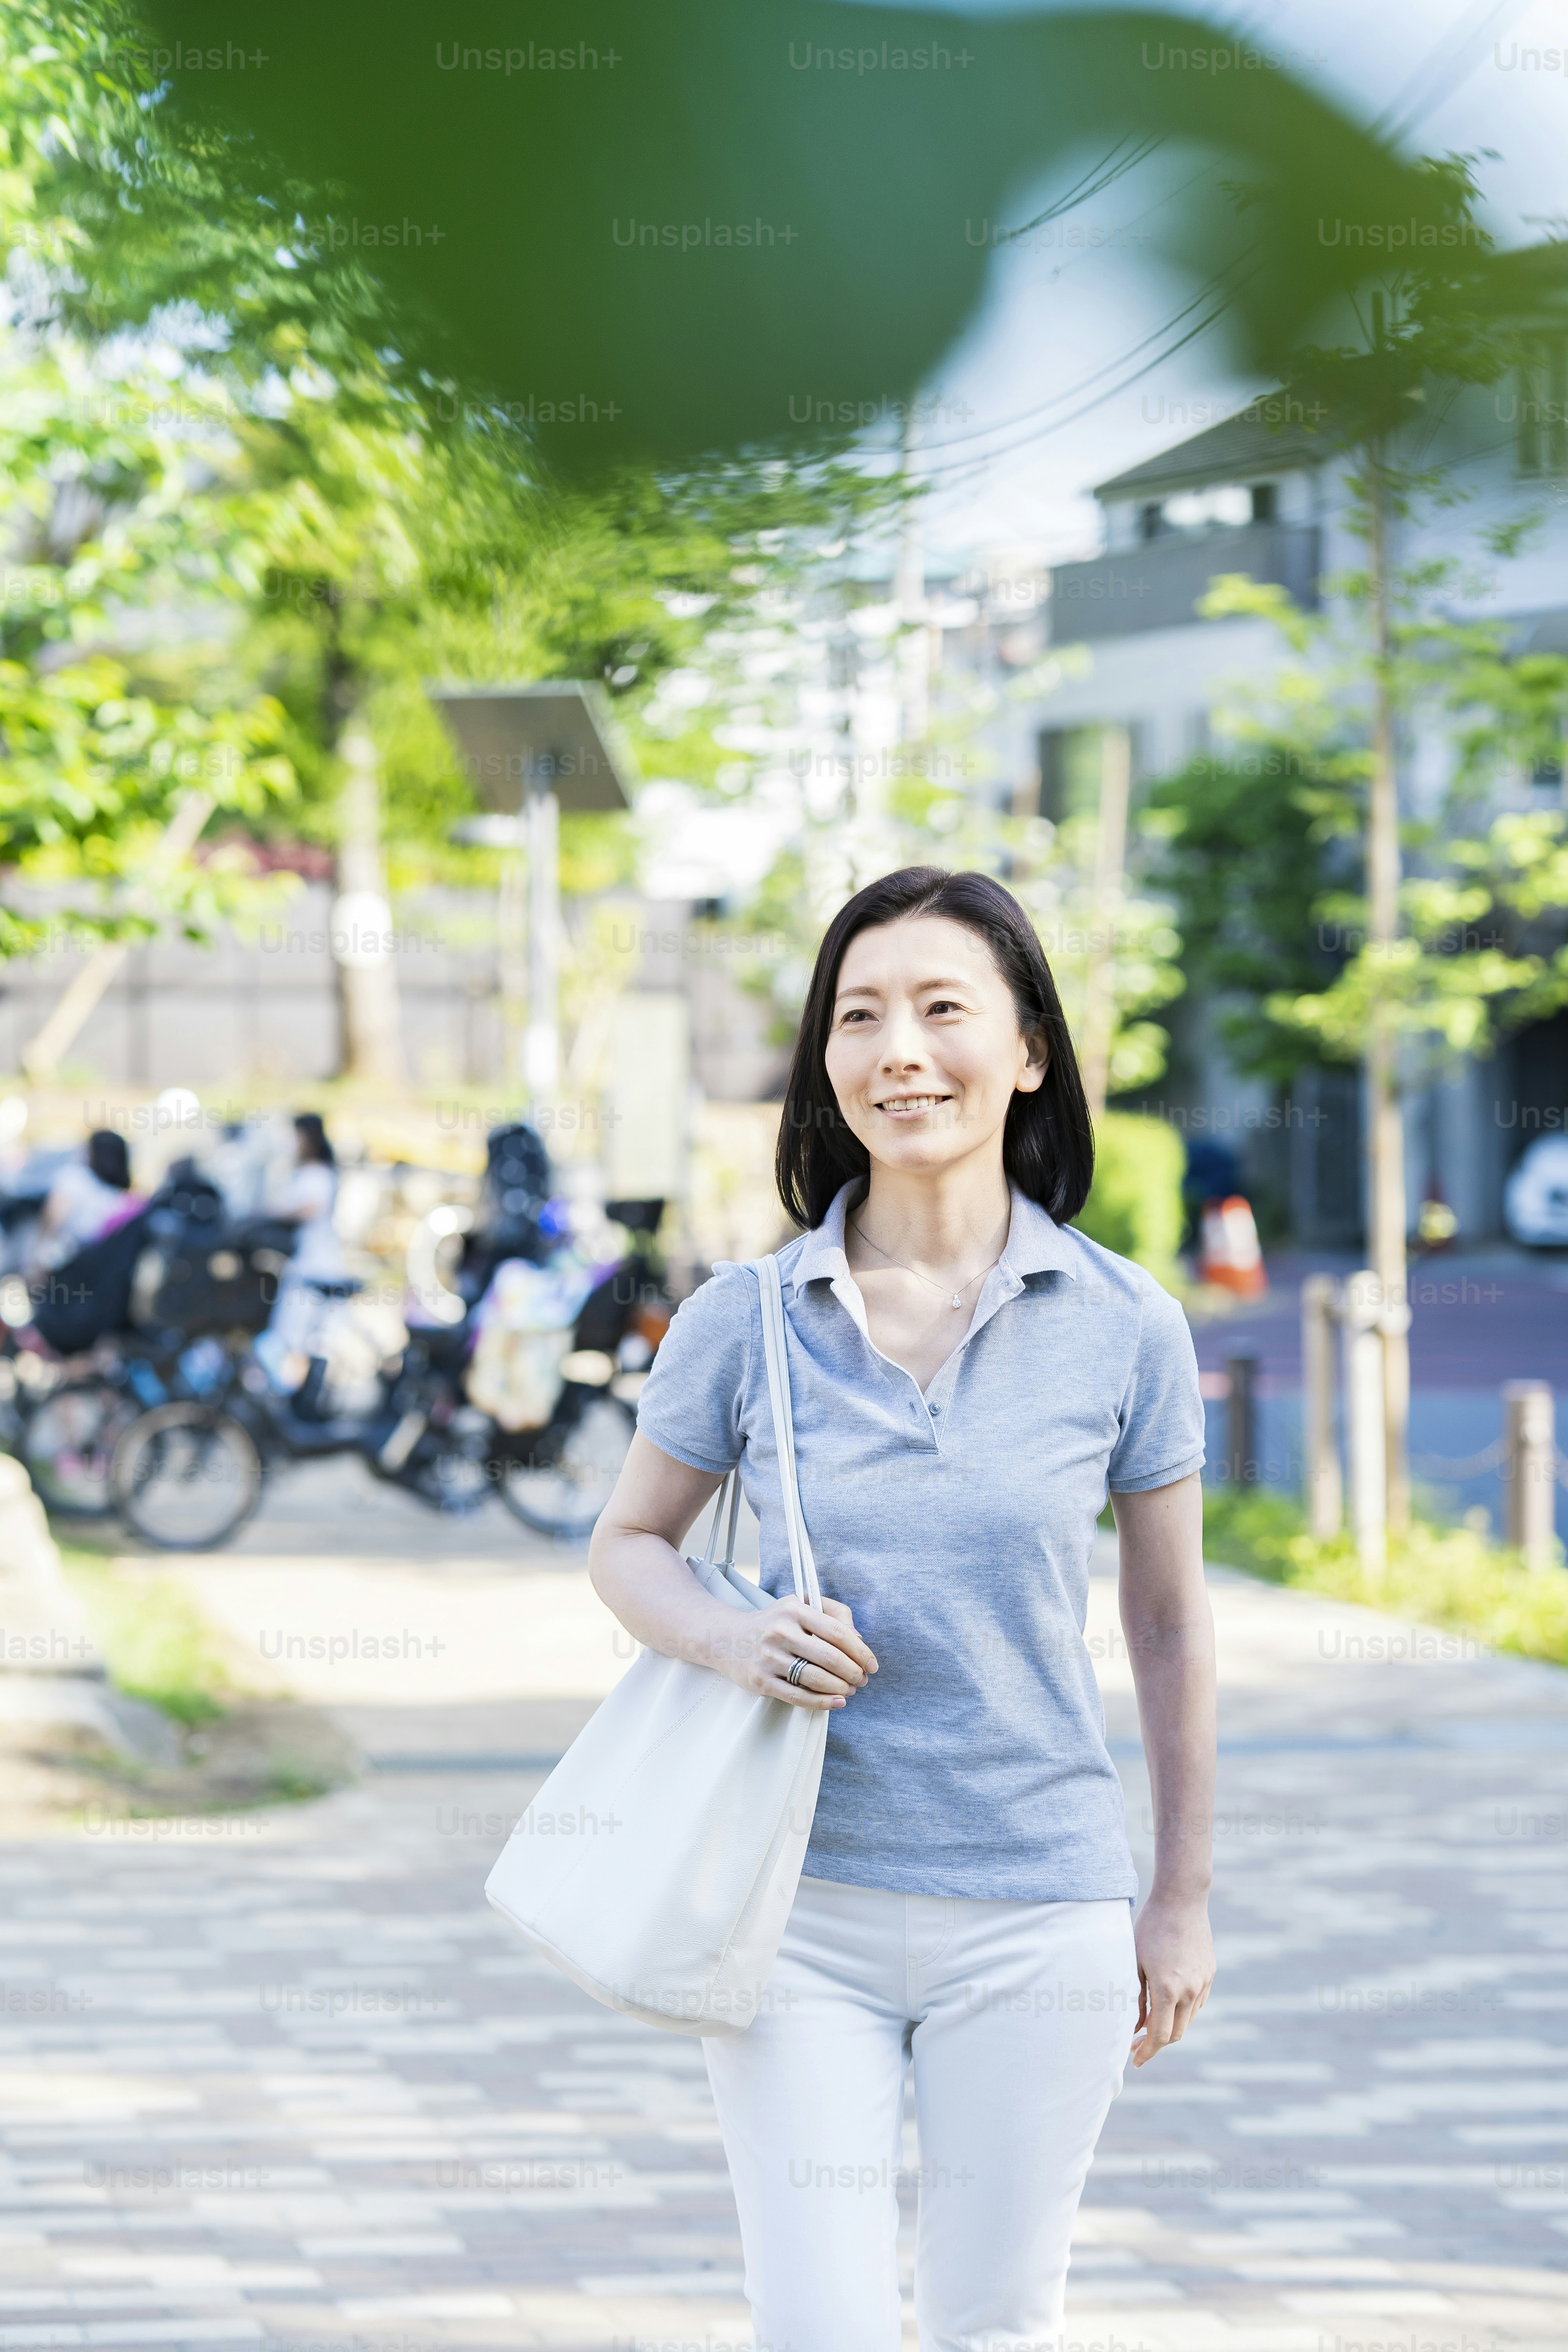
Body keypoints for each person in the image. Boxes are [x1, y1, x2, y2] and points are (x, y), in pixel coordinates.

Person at [590, 866, 1216, 2352]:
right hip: (795, 1905)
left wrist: (1179, 1896)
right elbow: (627, 1546)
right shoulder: (747, 1314)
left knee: (997, 2317)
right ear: (822, 1060)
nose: (899, 1051)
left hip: (1039, 1907)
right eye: (858, 1014)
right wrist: (730, 1634)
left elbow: (1171, 1624)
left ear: (1029, 1050)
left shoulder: (1122, 1322)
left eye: (944, 1008)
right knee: (816, 2321)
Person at [253, 1112, 347, 1392]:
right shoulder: (303, 1173)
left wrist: (274, 1211)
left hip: (317, 1268)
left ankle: (293, 1393)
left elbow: (310, 1207)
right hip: (304, 1265)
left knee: (300, 1338)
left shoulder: (319, 1174)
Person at [32, 1130, 143, 1272]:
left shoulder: (75, 1178)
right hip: (101, 1271)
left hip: (66, 1261)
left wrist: (38, 1258)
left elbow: (53, 1220)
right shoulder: (125, 1198)